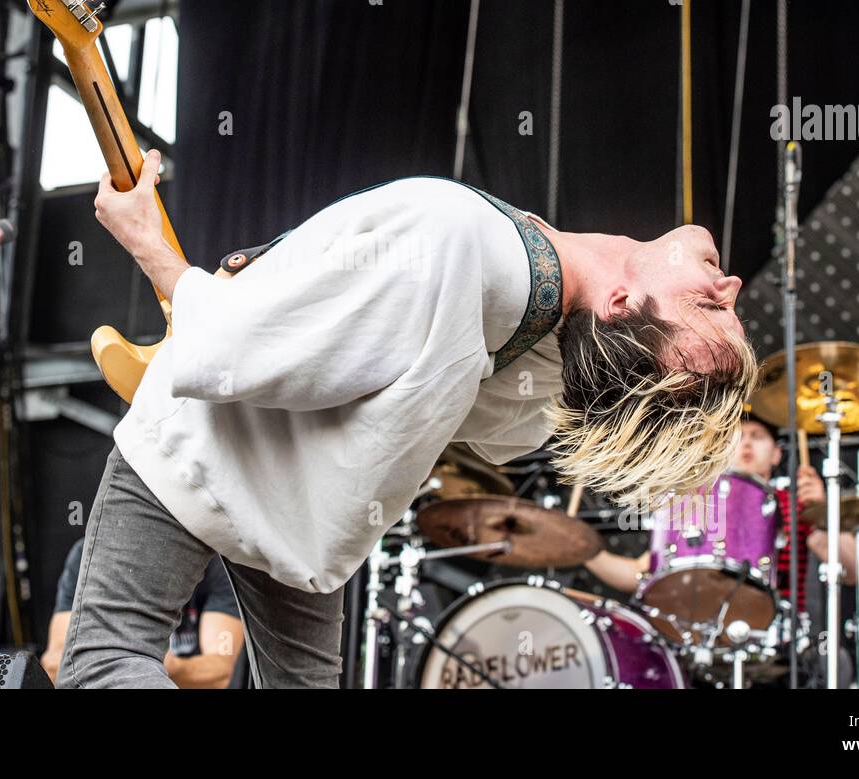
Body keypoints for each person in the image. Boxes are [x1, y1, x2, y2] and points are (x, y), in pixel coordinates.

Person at [60, 161, 756, 688]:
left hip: (208, 451)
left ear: (620, 300)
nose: (731, 288)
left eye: (711, 310)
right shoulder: (542, 354)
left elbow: (241, 343)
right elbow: (483, 423)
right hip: (311, 527)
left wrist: (148, 242)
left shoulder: (457, 238)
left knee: (106, 657)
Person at [586, 416, 858, 611]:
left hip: (779, 636)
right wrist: (582, 549)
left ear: (776, 454)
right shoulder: (697, 502)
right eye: (736, 437)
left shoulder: (797, 502)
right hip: (703, 626)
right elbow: (641, 573)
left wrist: (825, 512)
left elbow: (853, 572)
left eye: (758, 436)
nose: (746, 443)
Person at [42, 538, 244, 688]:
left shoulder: (214, 562)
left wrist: (166, 666)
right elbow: (54, 664)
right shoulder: (88, 555)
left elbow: (222, 671)